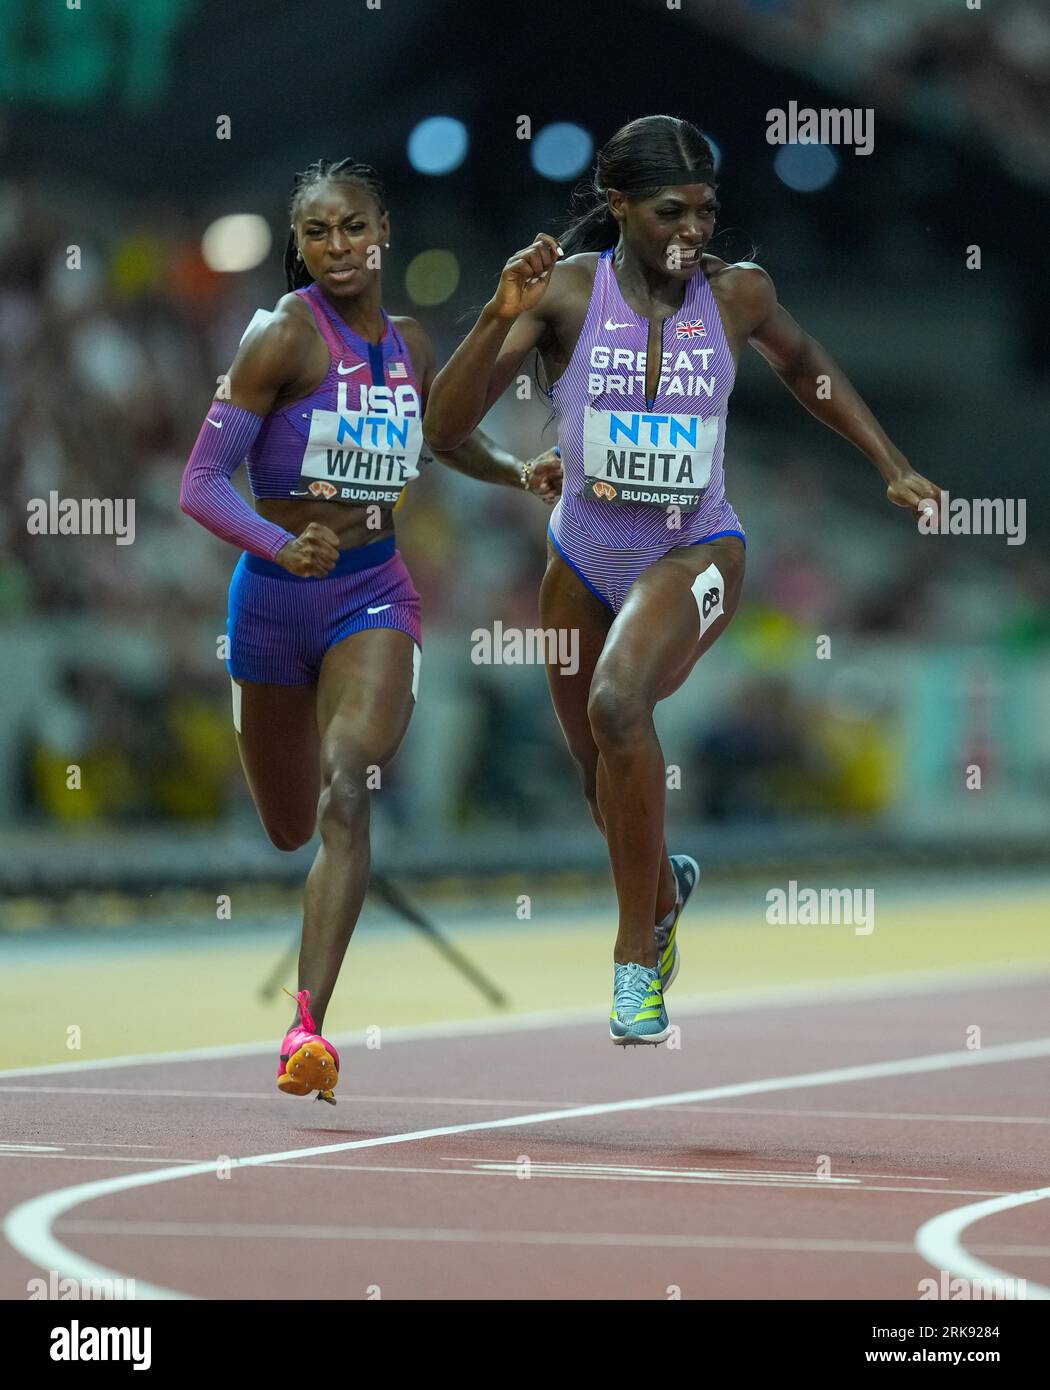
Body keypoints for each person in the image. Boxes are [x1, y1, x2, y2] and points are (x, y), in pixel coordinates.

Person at [423, 115, 941, 1046]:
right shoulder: (565, 297)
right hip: (579, 557)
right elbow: (442, 427)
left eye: (706, 211)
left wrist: (890, 463)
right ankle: (665, 887)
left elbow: (807, 367)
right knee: (597, 780)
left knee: (620, 707)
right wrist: (500, 315)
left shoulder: (737, 295)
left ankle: (635, 963)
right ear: (616, 206)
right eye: (671, 212)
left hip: (696, 551)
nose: (692, 230)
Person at [179, 157, 561, 1101]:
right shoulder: (278, 340)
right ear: (298, 245)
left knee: (348, 788)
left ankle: (306, 1031)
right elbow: (198, 484)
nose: (338, 247)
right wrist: (278, 541)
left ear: (382, 233)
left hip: (374, 596)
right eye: (317, 232)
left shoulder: (412, 344)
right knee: (285, 826)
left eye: (353, 227)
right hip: (271, 605)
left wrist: (517, 470)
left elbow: (441, 437)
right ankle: (310, 938)